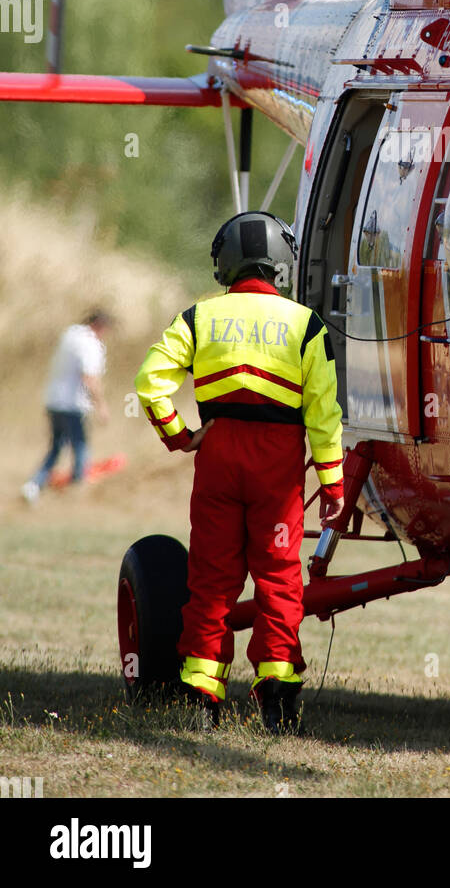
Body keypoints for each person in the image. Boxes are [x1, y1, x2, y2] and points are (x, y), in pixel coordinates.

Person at [134, 211, 344, 734]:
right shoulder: (306, 325)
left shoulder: (198, 318)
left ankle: (203, 693)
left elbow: (148, 384)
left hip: (219, 458)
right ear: (281, 265)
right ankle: (276, 696)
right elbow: (324, 413)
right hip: (278, 464)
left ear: (223, 263)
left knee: (211, 580)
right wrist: (333, 480)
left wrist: (180, 437)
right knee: (278, 578)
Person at [22, 309, 113, 502]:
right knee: (80, 447)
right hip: (72, 404)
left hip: (54, 401)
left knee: (56, 447)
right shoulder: (89, 343)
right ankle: (77, 492)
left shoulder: (70, 334)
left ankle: (34, 485)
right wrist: (102, 406)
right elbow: (90, 377)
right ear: (99, 326)